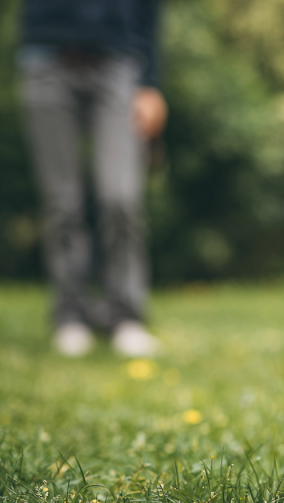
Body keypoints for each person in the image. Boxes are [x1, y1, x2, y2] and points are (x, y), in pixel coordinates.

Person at [17, 0, 167, 357]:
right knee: (62, 201)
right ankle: (70, 315)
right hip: (46, 57)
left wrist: (151, 83)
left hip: (119, 62)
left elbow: (151, 9)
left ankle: (126, 314)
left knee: (121, 196)